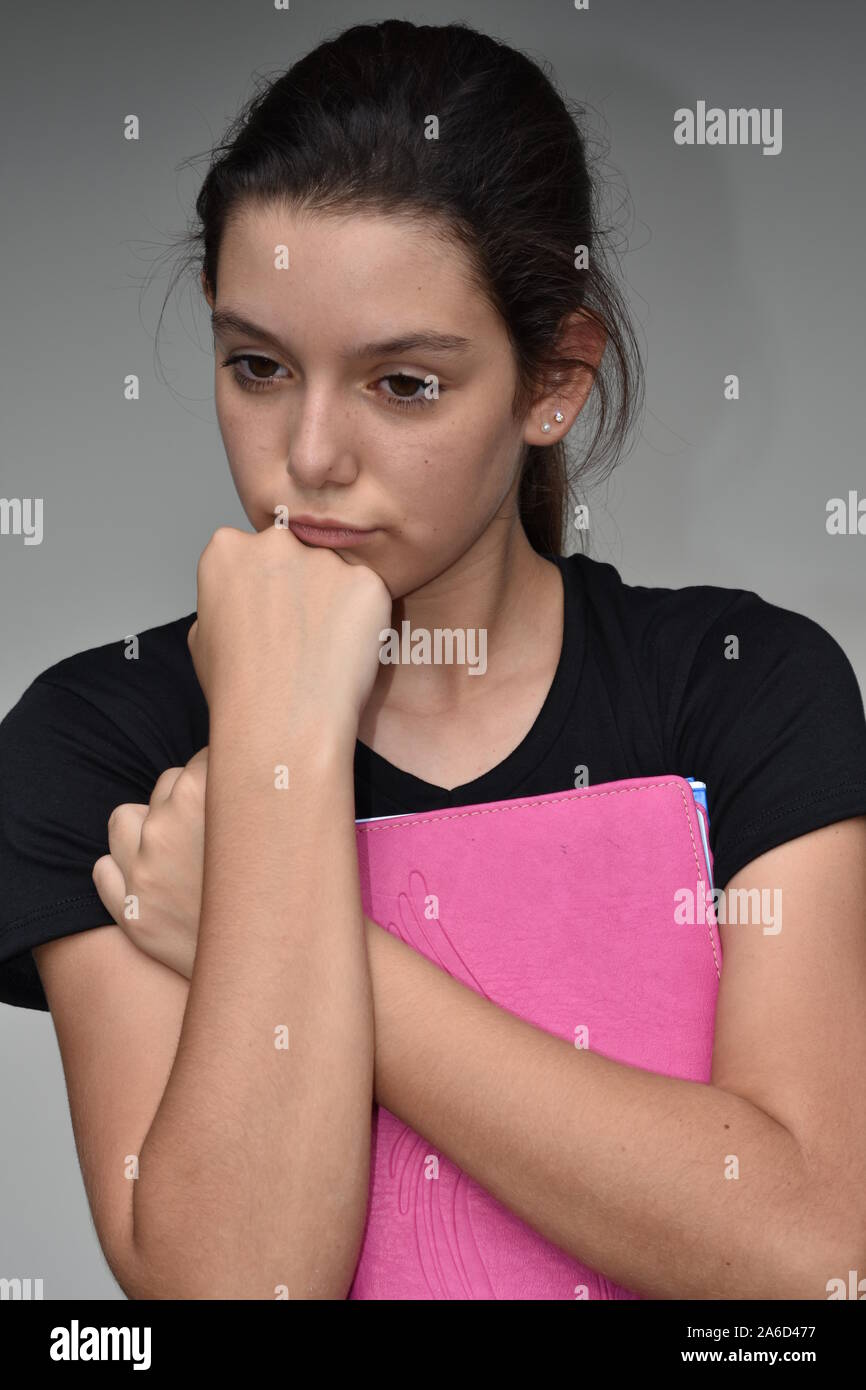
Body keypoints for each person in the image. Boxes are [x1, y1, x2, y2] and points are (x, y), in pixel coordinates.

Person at [1, 18, 865, 1300]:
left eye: (401, 384)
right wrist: (281, 736)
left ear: (552, 382)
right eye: (256, 366)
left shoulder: (742, 684)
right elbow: (237, 1290)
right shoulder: (98, 743)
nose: (305, 458)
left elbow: (806, 1247)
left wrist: (281, 923)